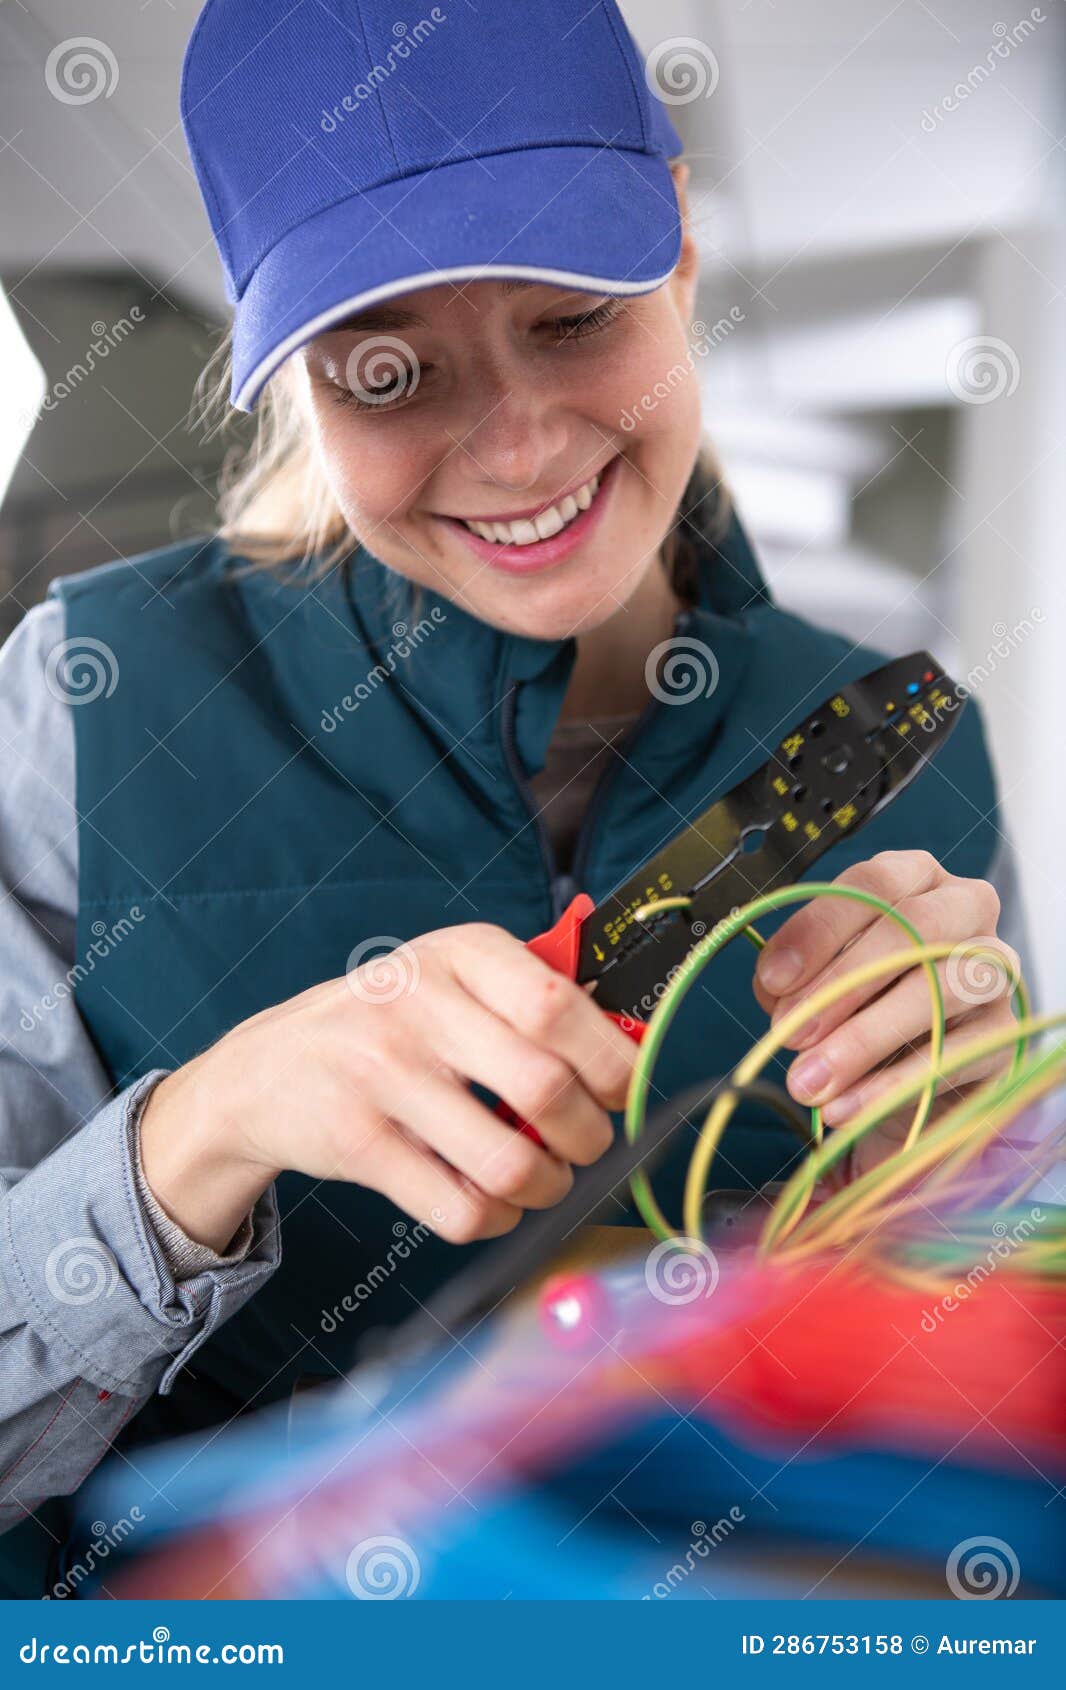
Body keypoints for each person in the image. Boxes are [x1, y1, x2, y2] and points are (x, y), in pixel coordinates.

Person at [0, 0, 1025, 1596]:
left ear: (677, 243)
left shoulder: (899, 748)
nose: (521, 443)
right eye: (390, 370)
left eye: (568, 319)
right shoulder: (77, 699)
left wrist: (959, 1160)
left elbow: (965, 1440)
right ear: (293, 390)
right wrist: (202, 1132)